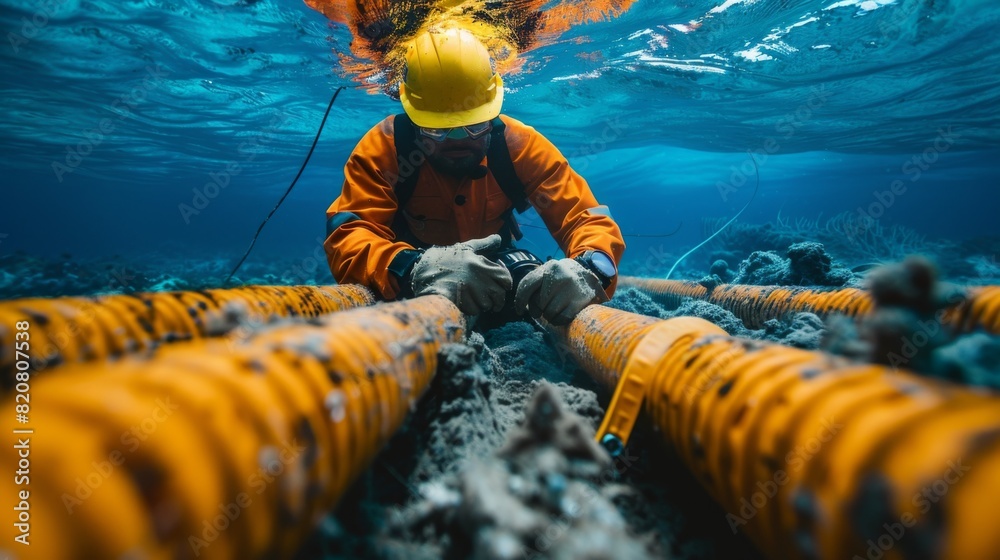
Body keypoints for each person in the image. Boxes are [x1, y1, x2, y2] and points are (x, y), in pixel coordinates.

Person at [323, 27, 625, 326]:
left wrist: (591, 268)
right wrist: (410, 268)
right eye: (438, 129)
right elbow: (348, 236)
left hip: (496, 270)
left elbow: (586, 217)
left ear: (492, 115)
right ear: (413, 119)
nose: (458, 140)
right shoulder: (384, 150)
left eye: (475, 125)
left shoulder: (520, 145)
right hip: (412, 282)